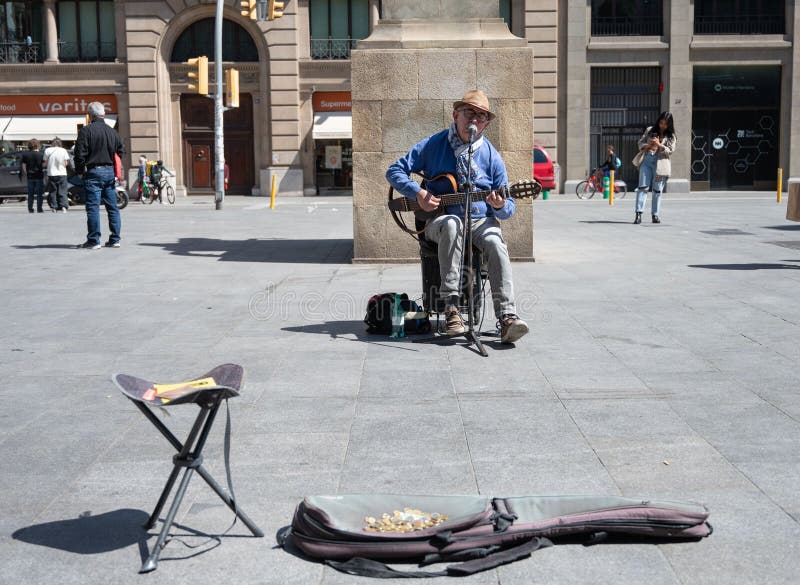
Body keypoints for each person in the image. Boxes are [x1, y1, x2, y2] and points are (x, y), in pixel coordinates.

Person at [385, 89, 529, 344]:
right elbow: (394, 171)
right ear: (455, 115)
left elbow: (509, 209)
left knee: (496, 243)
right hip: (437, 222)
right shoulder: (433, 145)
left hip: (480, 221)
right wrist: (418, 193)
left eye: (482, 116)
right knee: (452, 223)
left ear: (486, 123)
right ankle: (452, 308)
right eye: (469, 113)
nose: (475, 120)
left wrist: (498, 204)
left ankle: (507, 317)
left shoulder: (492, 156)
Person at [73, 101, 124, 249]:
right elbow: (120, 152)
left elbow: (79, 154)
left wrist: (80, 171)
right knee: (112, 207)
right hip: (109, 172)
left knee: (93, 207)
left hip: (94, 171)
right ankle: (115, 239)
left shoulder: (86, 131)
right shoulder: (113, 131)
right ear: (104, 114)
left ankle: (94, 240)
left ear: (90, 115)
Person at [632, 112, 676, 224]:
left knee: (657, 190)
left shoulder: (671, 136)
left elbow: (670, 150)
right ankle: (638, 214)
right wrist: (648, 145)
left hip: (660, 163)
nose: (662, 126)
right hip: (647, 161)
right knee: (642, 187)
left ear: (669, 125)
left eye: (665, 124)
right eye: (661, 123)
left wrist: (659, 144)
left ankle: (655, 215)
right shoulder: (650, 130)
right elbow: (640, 143)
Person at [43, 137, 71, 212]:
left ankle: (54, 207)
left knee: (53, 191)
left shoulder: (47, 150)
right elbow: (66, 163)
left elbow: (45, 163)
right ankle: (63, 207)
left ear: (52, 143)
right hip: (62, 173)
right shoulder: (63, 150)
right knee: (62, 191)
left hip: (51, 174)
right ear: (60, 143)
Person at [21, 139, 45, 213]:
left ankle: (30, 208)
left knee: (30, 193)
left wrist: (26, 173)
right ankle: (39, 208)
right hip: (39, 175)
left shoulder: (25, 154)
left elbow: (23, 165)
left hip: (30, 176)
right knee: (39, 194)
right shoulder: (41, 154)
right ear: (37, 145)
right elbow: (44, 165)